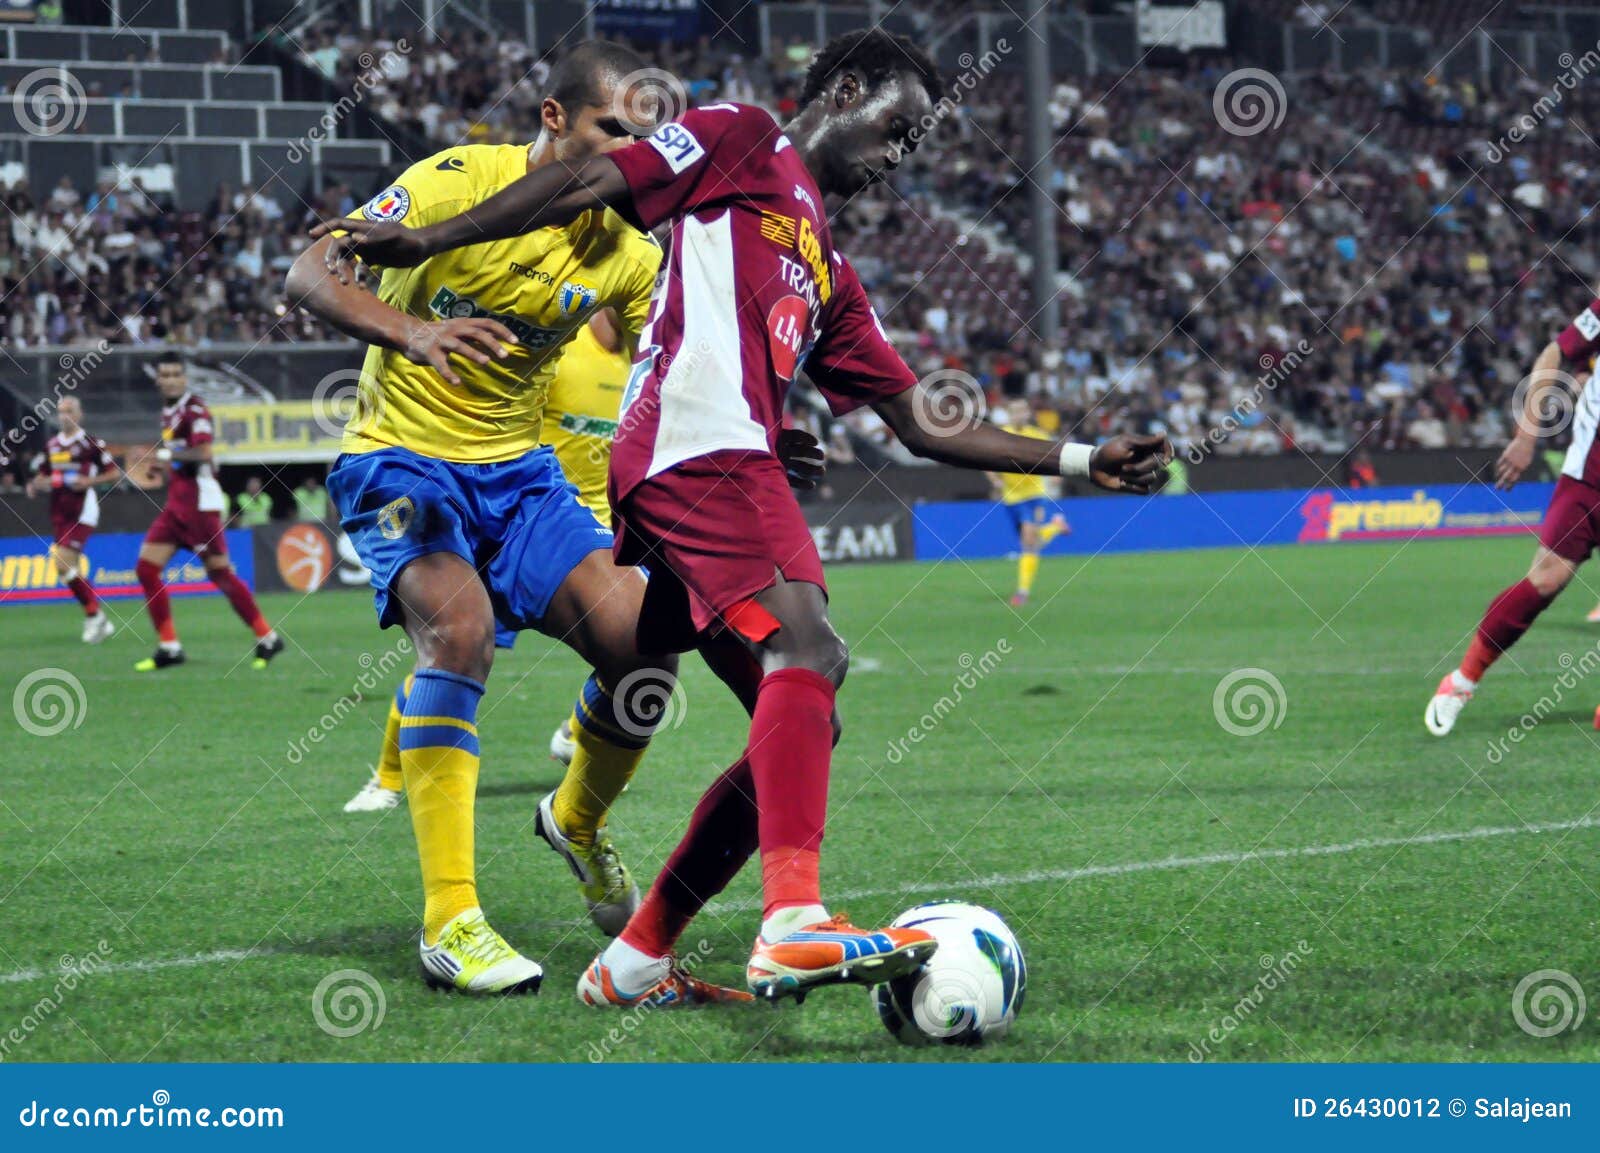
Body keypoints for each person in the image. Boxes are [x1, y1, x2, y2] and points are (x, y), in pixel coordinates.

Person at [317, 28, 1170, 1006]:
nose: (901, 153)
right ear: (843, 89)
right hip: (696, 450)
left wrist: (1081, 458)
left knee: (797, 718)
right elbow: (591, 183)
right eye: (895, 126)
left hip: (723, 452)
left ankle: (633, 959)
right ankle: (790, 921)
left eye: (916, 141)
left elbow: (923, 425)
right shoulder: (744, 137)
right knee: (808, 649)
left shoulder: (827, 269)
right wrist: (428, 241)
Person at [290, 40, 763, 998]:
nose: (624, 161)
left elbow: (673, 367)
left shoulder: (630, 255)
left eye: (642, 144)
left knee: (644, 658)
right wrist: (413, 330)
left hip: (525, 480)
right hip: (400, 458)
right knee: (458, 635)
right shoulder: (457, 179)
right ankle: (450, 922)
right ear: (554, 119)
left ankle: (576, 820)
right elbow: (311, 273)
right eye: (608, 134)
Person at [1426, 296, 1600, 735]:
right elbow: (1556, 354)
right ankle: (1462, 681)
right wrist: (1527, 435)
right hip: (1590, 477)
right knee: (1545, 579)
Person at [135, 353, 285, 672]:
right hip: (177, 503)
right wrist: (164, 468)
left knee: (221, 575)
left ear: (185, 378)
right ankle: (169, 646)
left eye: (177, 373)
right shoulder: (169, 412)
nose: (172, 378)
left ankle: (268, 637)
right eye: (166, 374)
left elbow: (203, 452)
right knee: (146, 569)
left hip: (200, 506)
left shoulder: (194, 410)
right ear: (158, 379)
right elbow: (179, 458)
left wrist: (164, 455)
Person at [27, 397, 121, 643]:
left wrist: (89, 481)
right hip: (60, 511)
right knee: (69, 568)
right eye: (60, 412)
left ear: (79, 415)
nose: (64, 416)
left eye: (69, 411)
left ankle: (94, 616)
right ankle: (97, 617)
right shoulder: (53, 445)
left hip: (82, 510)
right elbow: (44, 476)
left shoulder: (90, 444)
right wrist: (36, 484)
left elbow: (114, 474)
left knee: (62, 564)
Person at [989, 401, 1071, 606]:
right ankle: (1055, 527)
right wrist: (995, 480)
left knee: (1028, 541)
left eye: (1022, 411)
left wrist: (1056, 473)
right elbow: (986, 460)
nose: (1019, 415)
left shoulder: (1036, 435)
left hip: (1034, 495)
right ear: (1008, 415)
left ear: (1027, 414)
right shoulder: (1002, 436)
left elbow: (1055, 455)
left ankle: (1022, 592)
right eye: (1014, 412)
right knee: (1033, 542)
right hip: (1010, 497)